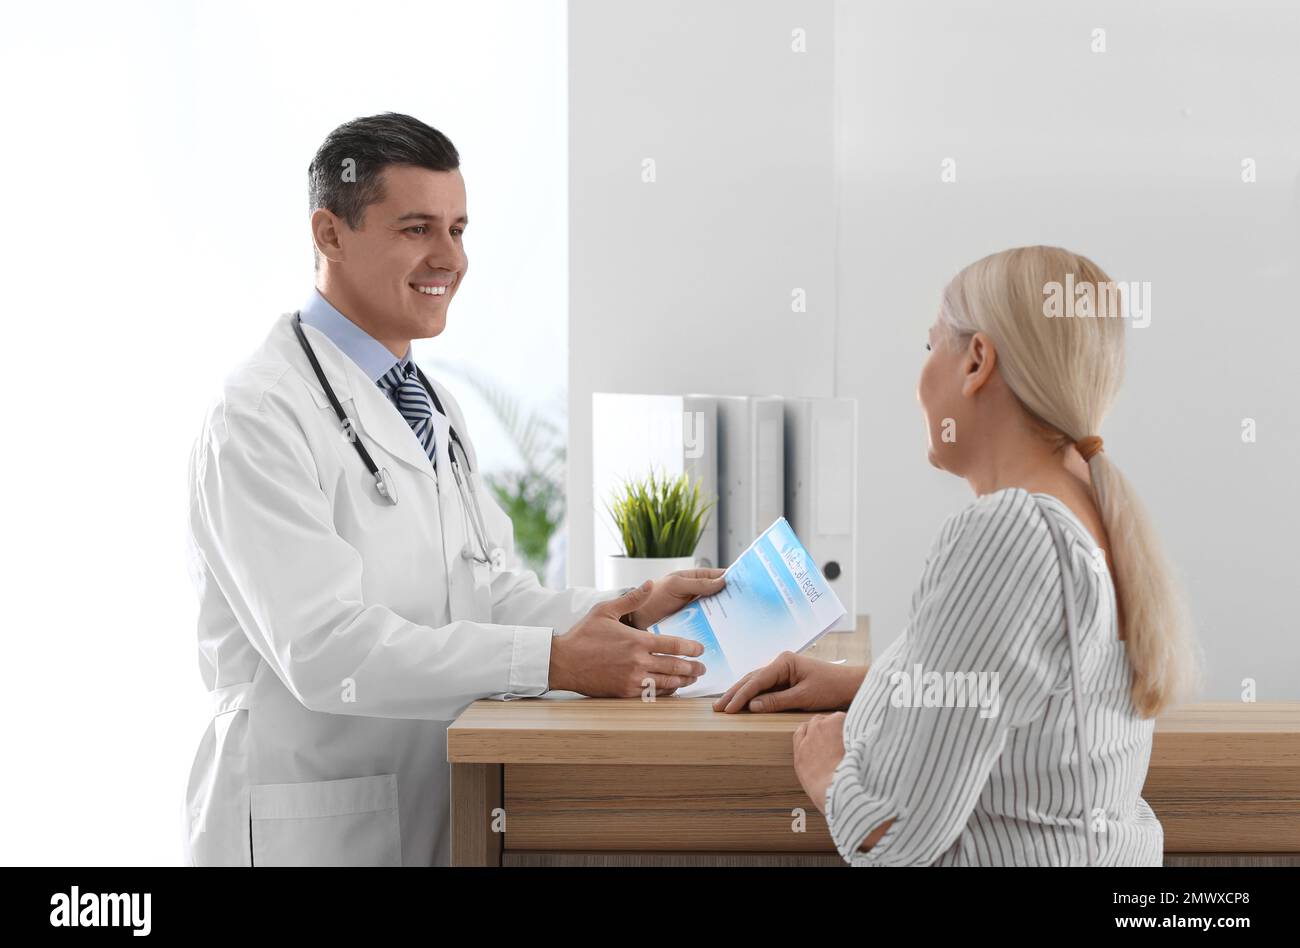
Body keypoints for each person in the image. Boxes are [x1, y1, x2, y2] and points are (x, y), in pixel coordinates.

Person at [183, 112, 723, 866]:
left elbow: (486, 592)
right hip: (311, 825)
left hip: (440, 803)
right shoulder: (260, 414)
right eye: (416, 229)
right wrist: (553, 664)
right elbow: (324, 649)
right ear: (329, 234)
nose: (450, 258)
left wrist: (625, 609)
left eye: (459, 229)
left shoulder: (430, 403)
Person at [716, 246, 1200, 866]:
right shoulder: (1090, 510)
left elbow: (892, 837)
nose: (920, 382)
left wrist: (828, 770)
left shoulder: (1010, 532)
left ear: (977, 362)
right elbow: (1034, 703)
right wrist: (863, 687)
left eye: (929, 348)